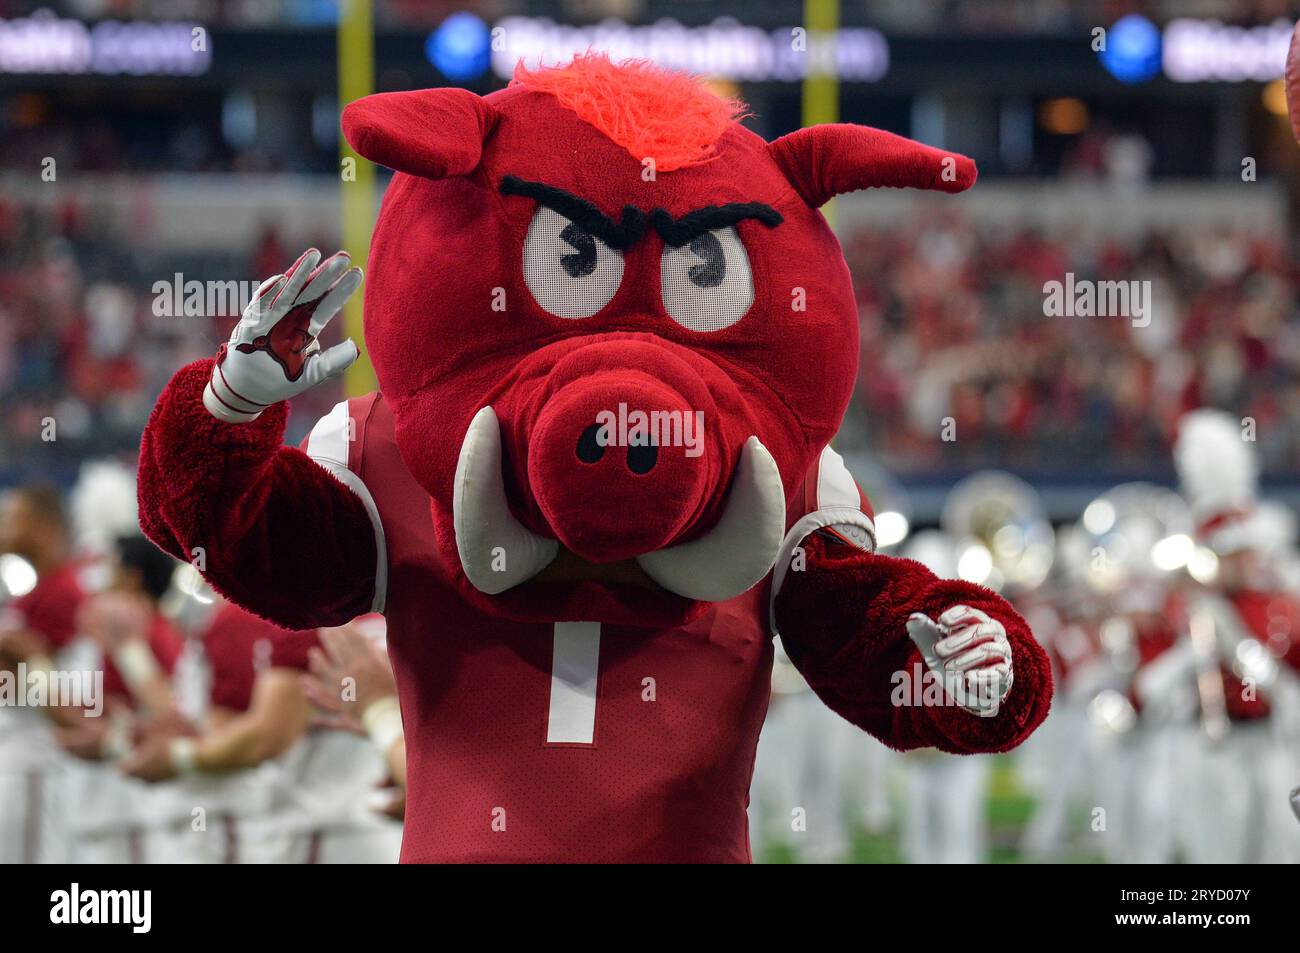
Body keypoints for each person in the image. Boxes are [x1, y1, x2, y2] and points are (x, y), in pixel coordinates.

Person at [0, 484, 86, 863]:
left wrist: (20, 661)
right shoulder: (35, 591)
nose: (4, 528)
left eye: (13, 518)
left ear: (44, 526)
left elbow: (56, 691)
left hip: (39, 754)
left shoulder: (61, 592)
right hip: (22, 749)